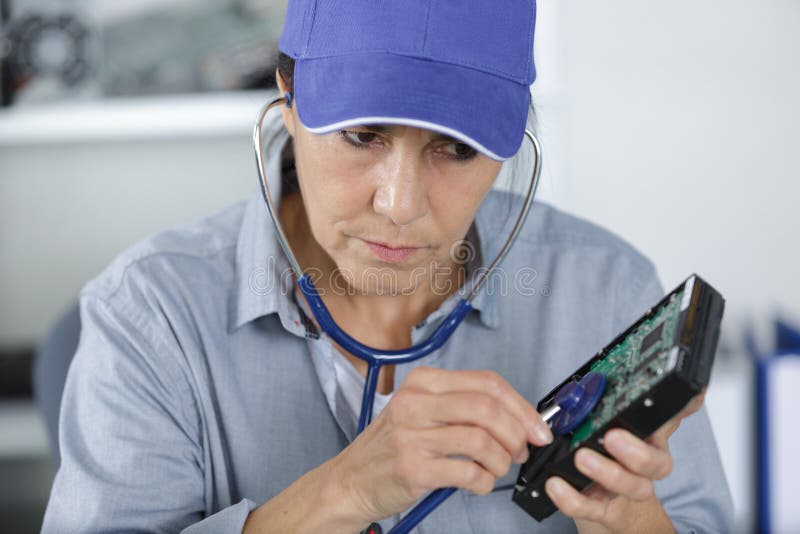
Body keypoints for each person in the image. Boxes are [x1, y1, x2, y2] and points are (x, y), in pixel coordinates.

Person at [42, 1, 733, 533]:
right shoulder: (148, 313)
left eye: (456, 150)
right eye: (362, 135)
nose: (400, 205)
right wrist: (344, 492)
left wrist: (630, 519)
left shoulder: (608, 289)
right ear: (288, 101)